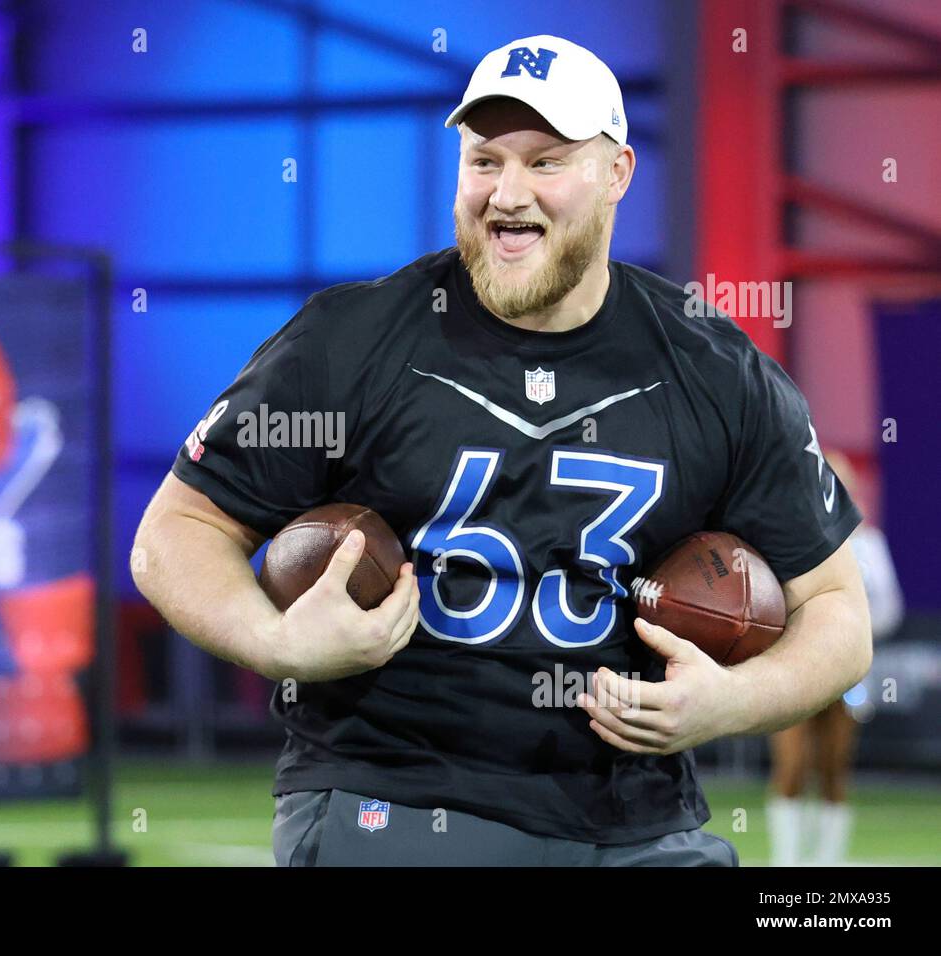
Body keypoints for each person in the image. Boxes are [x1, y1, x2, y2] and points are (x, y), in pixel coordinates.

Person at [132, 35, 872, 866]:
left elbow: (837, 611)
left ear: (618, 173)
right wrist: (278, 645)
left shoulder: (717, 369)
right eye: (485, 161)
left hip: (638, 821)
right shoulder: (349, 341)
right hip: (399, 793)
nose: (506, 193)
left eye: (546, 161)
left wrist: (733, 701)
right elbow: (176, 531)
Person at [767, 451, 902, 866]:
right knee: (791, 766)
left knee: (833, 769)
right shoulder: (788, 534)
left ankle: (827, 862)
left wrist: (845, 631)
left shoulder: (868, 544)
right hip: (796, 666)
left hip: (848, 674)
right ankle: (787, 862)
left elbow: (888, 608)